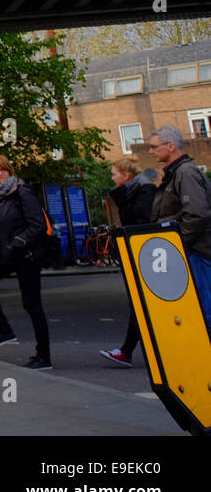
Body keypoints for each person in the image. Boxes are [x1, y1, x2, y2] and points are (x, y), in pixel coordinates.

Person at [0, 156, 52, 369]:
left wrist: (18, 242)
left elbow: (38, 226)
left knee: (32, 305)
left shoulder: (22, 192)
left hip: (26, 255)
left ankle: (44, 356)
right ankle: (5, 331)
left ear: (9, 171)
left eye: (2, 170)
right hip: (2, 254)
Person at [148, 126, 211, 318]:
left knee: (205, 310)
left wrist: (178, 244)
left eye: (154, 147)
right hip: (192, 249)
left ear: (171, 146)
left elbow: (197, 214)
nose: (151, 151)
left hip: (197, 251)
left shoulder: (185, 173)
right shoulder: (178, 173)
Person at [99, 156, 156, 367]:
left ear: (126, 176)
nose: (112, 178)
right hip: (138, 253)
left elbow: (142, 222)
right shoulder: (134, 192)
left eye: (114, 174)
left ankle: (127, 352)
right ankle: (127, 351)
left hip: (144, 255)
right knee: (141, 304)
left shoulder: (143, 193)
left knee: (142, 304)